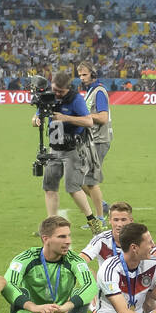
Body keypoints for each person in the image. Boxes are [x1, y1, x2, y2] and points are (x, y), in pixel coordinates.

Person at [2, 216, 99, 313]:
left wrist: (64, 307)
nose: (68, 241)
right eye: (62, 236)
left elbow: (91, 286)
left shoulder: (74, 260)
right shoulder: (26, 258)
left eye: (68, 235)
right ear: (45, 239)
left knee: (79, 297)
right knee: (20, 294)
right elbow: (7, 285)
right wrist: (33, 307)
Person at [32, 72, 104, 235]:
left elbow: (88, 121)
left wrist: (66, 118)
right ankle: (50, 227)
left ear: (67, 88)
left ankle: (93, 222)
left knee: (73, 187)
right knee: (49, 188)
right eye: (55, 90)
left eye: (60, 91)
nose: (57, 94)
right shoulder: (47, 96)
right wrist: (36, 120)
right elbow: (36, 115)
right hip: (54, 147)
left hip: (74, 148)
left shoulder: (75, 99)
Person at [77, 63, 112, 224]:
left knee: (90, 180)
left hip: (99, 140)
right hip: (91, 140)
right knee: (78, 178)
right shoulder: (91, 91)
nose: (81, 78)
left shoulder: (99, 91)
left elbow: (103, 118)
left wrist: (85, 118)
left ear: (93, 74)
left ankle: (99, 218)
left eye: (84, 75)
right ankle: (102, 205)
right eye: (80, 75)